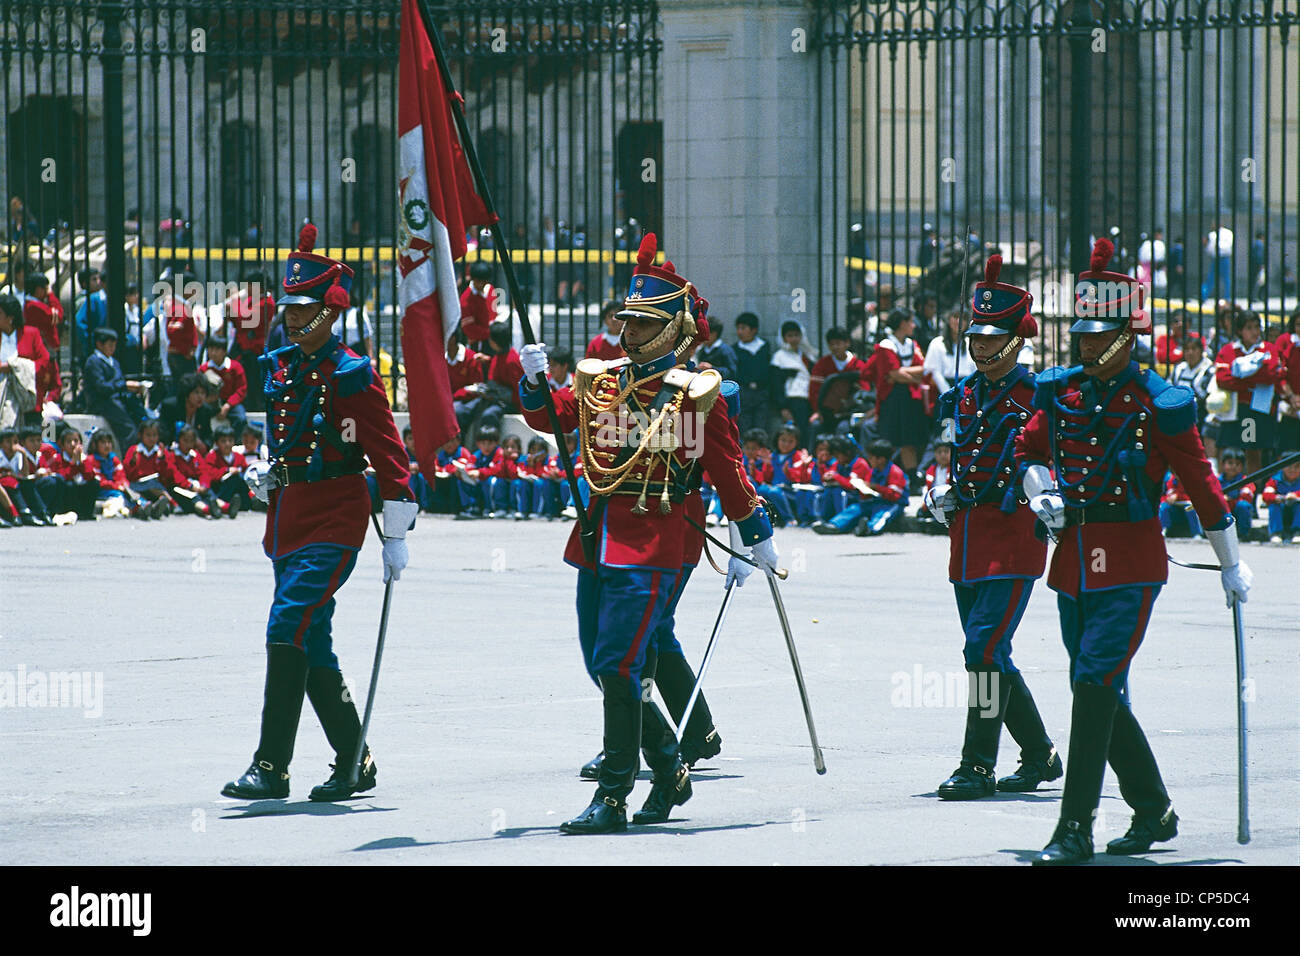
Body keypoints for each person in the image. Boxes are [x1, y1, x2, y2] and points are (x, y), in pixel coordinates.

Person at [518, 233, 779, 834]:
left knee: (620, 662)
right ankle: (667, 765)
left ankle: (613, 796)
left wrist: (753, 532)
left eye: (641, 324)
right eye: (626, 321)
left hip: (656, 543)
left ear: (673, 329)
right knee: (602, 663)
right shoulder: (603, 381)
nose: (628, 332)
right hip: (597, 535)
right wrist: (534, 382)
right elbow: (553, 423)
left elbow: (727, 468)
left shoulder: (698, 393)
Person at [1016, 237, 1250, 865]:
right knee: (1098, 689)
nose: (1085, 346)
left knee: (1092, 684)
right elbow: (1029, 453)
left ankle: (1075, 828)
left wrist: (1229, 560)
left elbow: (1201, 482)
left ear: (1125, 337)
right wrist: (1042, 495)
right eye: (1082, 336)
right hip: (1074, 559)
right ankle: (1153, 809)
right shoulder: (1060, 391)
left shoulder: (1159, 402)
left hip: (1131, 560)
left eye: (1098, 337)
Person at [221, 224, 417, 804]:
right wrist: (267, 469)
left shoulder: (353, 372)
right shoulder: (279, 364)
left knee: (287, 627)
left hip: (335, 516)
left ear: (329, 311)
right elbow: (283, 436)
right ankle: (355, 761)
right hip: (288, 516)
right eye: (285, 306)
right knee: (314, 642)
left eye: (301, 307)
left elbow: (388, 452)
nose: (287, 316)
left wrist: (398, 527)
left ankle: (270, 767)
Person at [926, 254, 1061, 798]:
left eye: (991, 338)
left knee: (981, 652)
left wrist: (1049, 490)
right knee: (991, 653)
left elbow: (1059, 460)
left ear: (1015, 338)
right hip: (967, 539)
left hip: (1013, 538)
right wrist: (940, 488)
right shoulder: (964, 394)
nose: (980, 347)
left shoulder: (1038, 395)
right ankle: (1040, 754)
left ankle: (977, 764)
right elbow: (958, 456)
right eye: (975, 338)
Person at [1213, 310, 1281, 474]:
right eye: (1249, 328)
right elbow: (1222, 378)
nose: (1254, 332)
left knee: (1252, 451)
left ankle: (1251, 491)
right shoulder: (1229, 350)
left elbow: (1271, 375)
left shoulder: (1267, 349)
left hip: (1253, 412)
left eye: (1257, 327)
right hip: (1233, 410)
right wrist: (1250, 381)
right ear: (1239, 331)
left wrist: (1240, 376)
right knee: (1229, 452)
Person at [867, 309, 928, 478]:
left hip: (909, 399)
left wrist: (901, 373)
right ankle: (884, 475)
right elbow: (893, 374)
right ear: (902, 324)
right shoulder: (886, 345)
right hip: (892, 399)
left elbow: (923, 368)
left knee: (909, 442)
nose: (913, 325)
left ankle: (912, 477)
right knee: (889, 442)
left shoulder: (912, 345)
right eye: (911, 322)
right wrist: (912, 378)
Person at [81, 328, 152, 450]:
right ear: (99, 344)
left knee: (142, 418)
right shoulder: (93, 362)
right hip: (102, 402)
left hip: (118, 399)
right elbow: (102, 387)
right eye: (109, 345)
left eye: (114, 345)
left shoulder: (114, 362)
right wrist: (124, 385)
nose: (112, 348)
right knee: (128, 428)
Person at [0, 293, 51, 426]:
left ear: (10, 318)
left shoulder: (31, 334)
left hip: (26, 396)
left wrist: (16, 367)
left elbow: (44, 361)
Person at [808, 326, 869, 429]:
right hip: (826, 412)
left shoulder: (858, 365)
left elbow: (865, 390)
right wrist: (818, 411)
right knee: (814, 426)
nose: (835, 347)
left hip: (850, 413)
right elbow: (814, 391)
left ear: (847, 343)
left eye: (838, 343)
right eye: (831, 344)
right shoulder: (822, 364)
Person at [922, 307, 977, 409]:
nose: (958, 321)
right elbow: (935, 372)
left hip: (967, 392)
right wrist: (949, 394)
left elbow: (976, 370)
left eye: (963, 318)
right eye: (955, 317)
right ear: (948, 319)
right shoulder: (937, 343)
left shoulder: (971, 343)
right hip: (945, 391)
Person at [769, 320, 815, 441]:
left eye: (796, 335)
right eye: (790, 336)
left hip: (807, 401)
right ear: (784, 338)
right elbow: (776, 385)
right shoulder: (779, 357)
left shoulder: (807, 356)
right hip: (791, 402)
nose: (793, 339)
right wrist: (783, 408)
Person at [198, 338, 248, 436]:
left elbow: (241, 389)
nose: (213, 353)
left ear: (224, 351)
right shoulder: (203, 368)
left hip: (230, 403)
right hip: (209, 402)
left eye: (217, 350)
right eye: (210, 349)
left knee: (240, 418)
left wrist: (228, 405)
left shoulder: (235, 367)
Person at [733, 312, 771, 437]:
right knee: (744, 427)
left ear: (754, 330)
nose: (740, 332)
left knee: (762, 426)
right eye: (738, 328)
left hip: (762, 392)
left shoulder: (764, 346)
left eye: (743, 328)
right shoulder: (735, 349)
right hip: (744, 393)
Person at [157, 372, 216, 449]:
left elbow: (208, 435)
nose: (200, 397)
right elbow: (163, 432)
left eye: (203, 393)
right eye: (196, 392)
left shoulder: (206, 410)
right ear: (187, 393)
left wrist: (204, 445)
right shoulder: (170, 407)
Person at [1214, 447, 1256, 542]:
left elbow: (1247, 496)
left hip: (1237, 510)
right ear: (1223, 464)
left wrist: (1230, 499)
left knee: (1243, 505)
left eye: (1237, 464)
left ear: (1242, 466)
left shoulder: (1245, 480)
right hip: (1222, 510)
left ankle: (1244, 534)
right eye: (1230, 463)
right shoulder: (1216, 480)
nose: (1233, 466)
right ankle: (1214, 532)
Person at [459, 261, 498, 347]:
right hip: (477, 343)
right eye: (478, 281)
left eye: (484, 281)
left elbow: (494, 314)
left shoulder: (490, 290)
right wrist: (491, 333)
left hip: (494, 340)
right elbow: (469, 328)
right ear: (473, 279)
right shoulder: (465, 299)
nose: (481, 284)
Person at [1261, 457, 1300, 543]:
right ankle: (1276, 533)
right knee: (1273, 505)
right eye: (1289, 467)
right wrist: (1275, 497)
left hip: (1296, 511)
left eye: (1297, 466)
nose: (1292, 470)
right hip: (1281, 510)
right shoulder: (1275, 480)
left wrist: (1295, 495)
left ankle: (1298, 532)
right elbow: (1266, 494)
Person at [1201, 219, 1234, 302]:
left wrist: (1215, 246)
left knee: (1225, 279)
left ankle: (1227, 297)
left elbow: (1227, 246)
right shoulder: (1212, 234)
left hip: (1223, 257)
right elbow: (1210, 249)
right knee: (1212, 278)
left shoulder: (1227, 233)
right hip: (1217, 258)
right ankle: (1204, 296)